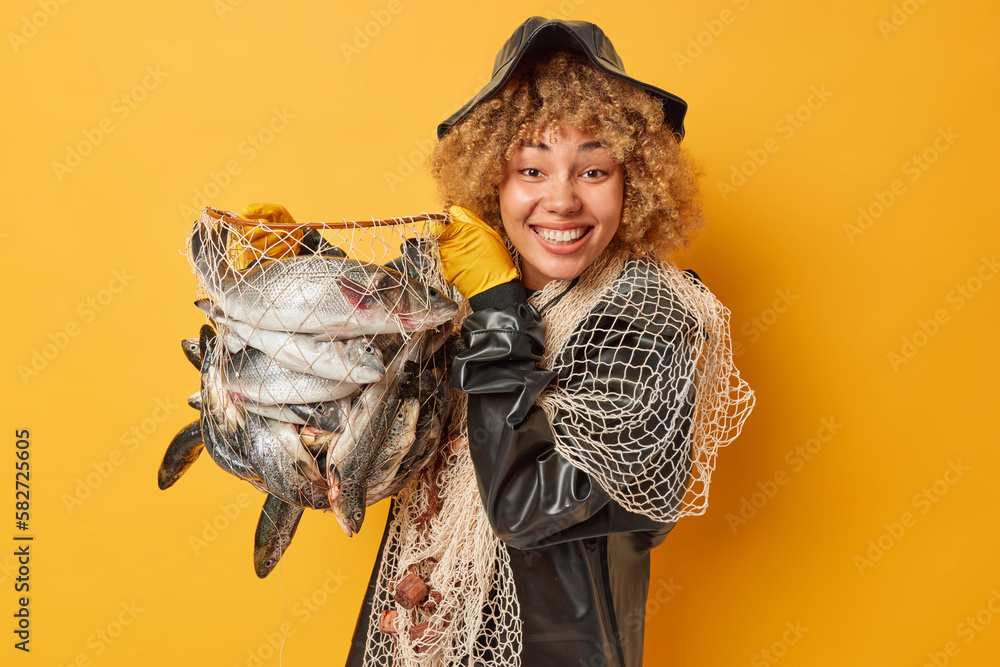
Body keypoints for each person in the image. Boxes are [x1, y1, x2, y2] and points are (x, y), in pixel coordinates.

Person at [338, 16, 755, 667]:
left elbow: (525, 510)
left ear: (635, 181)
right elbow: (358, 437)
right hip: (417, 640)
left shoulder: (651, 319)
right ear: (491, 181)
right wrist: (288, 274)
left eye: (593, 171)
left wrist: (498, 311)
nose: (561, 200)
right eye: (532, 169)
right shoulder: (459, 296)